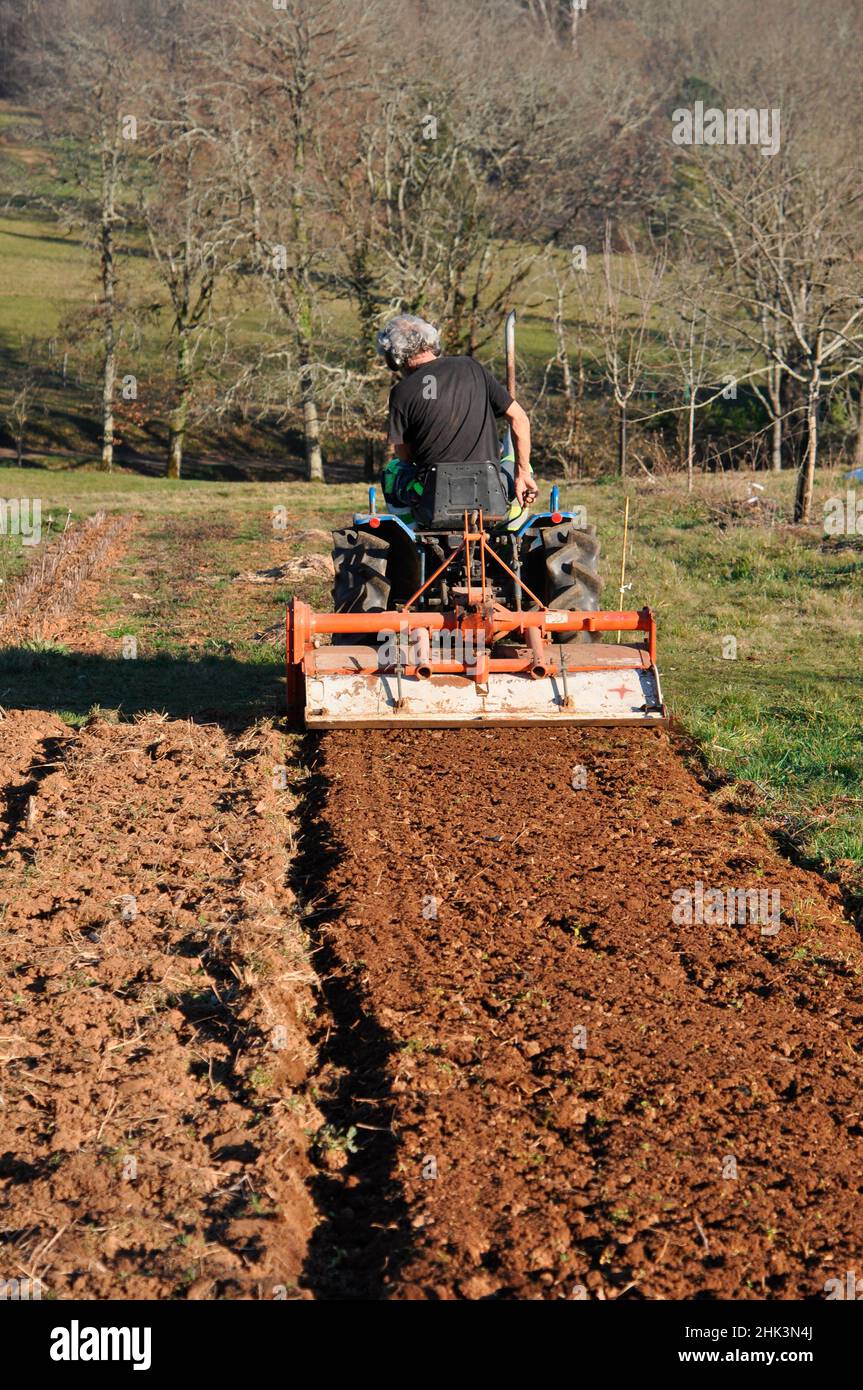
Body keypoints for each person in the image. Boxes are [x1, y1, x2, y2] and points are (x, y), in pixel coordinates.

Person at [376, 314, 537, 516]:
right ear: (431, 342)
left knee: (393, 470)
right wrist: (521, 473)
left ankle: (411, 537)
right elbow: (519, 419)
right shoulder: (473, 368)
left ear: (394, 358)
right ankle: (509, 525)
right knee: (520, 462)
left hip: (432, 498)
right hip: (492, 492)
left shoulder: (401, 392)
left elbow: (404, 457)